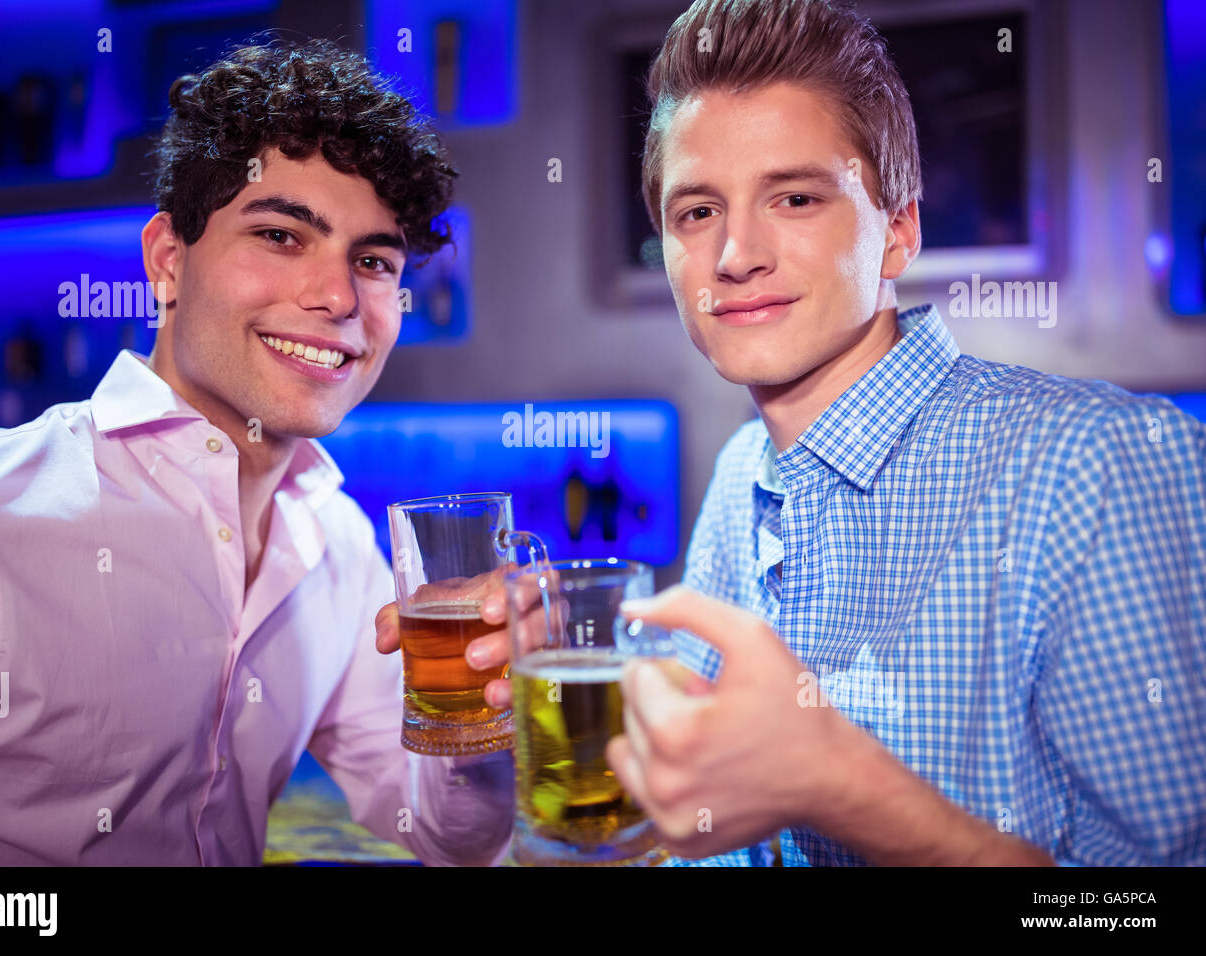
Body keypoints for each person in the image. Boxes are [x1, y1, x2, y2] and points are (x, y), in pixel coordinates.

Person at [381, 0, 1206, 867]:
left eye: (797, 196)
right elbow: (672, 822)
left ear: (899, 231)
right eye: (697, 212)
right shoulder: (745, 473)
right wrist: (551, 676)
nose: (736, 253)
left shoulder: (1103, 465)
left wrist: (842, 787)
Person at [0, 39, 511, 866]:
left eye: (372, 261)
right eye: (281, 236)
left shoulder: (339, 547)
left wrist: (484, 701)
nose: (337, 297)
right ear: (167, 262)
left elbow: (447, 835)